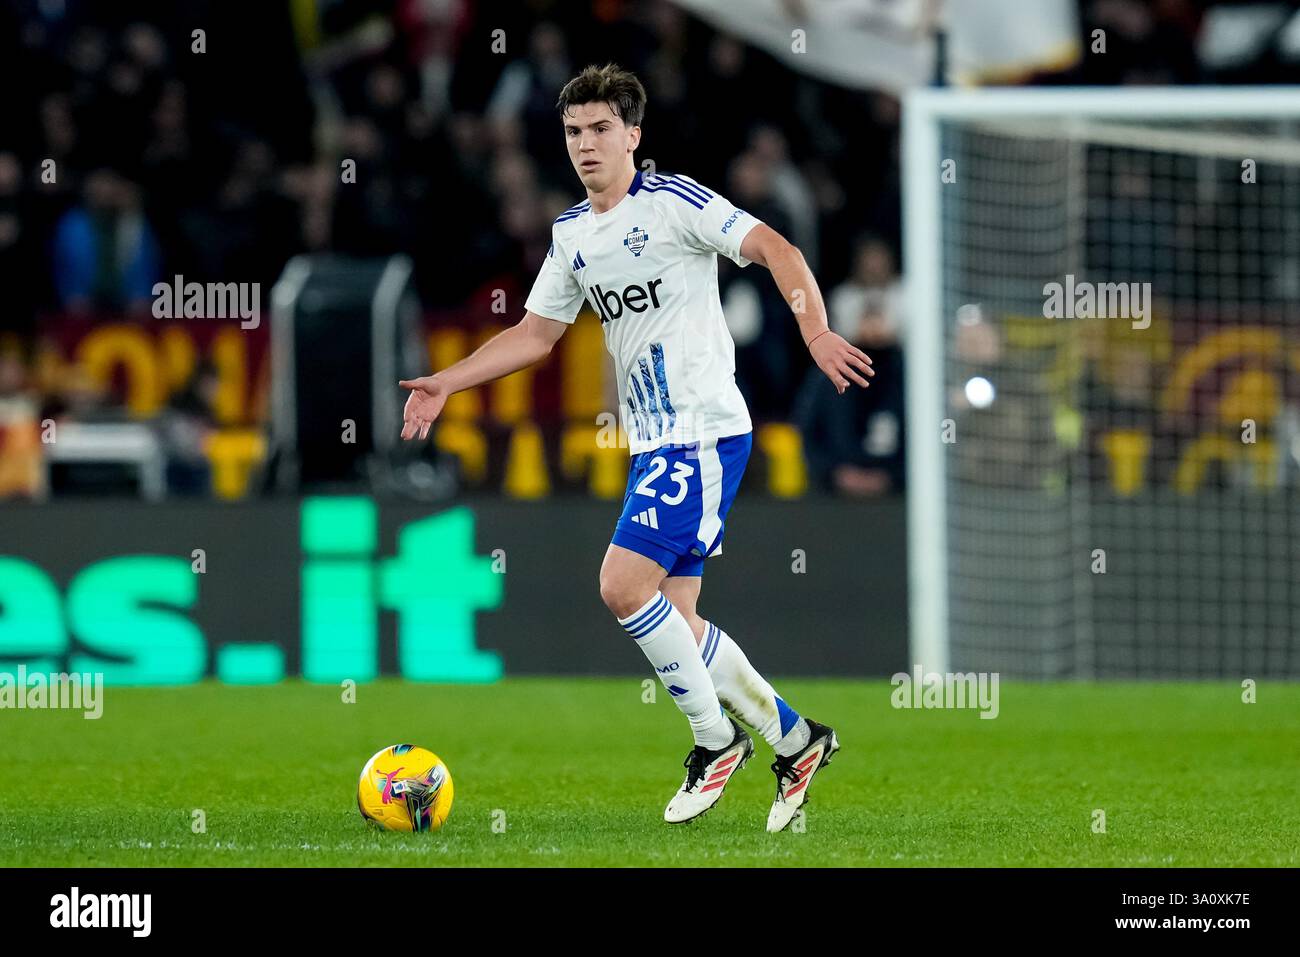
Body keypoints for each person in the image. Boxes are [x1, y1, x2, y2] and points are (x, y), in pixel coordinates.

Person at [399, 64, 873, 831]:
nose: (585, 146)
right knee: (676, 619)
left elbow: (777, 248)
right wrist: (448, 382)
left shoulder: (675, 203)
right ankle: (796, 738)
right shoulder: (571, 235)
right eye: (573, 133)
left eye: (599, 130)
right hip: (654, 443)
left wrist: (814, 329)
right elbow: (535, 334)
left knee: (621, 586)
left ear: (633, 136)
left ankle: (716, 740)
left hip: (702, 429)